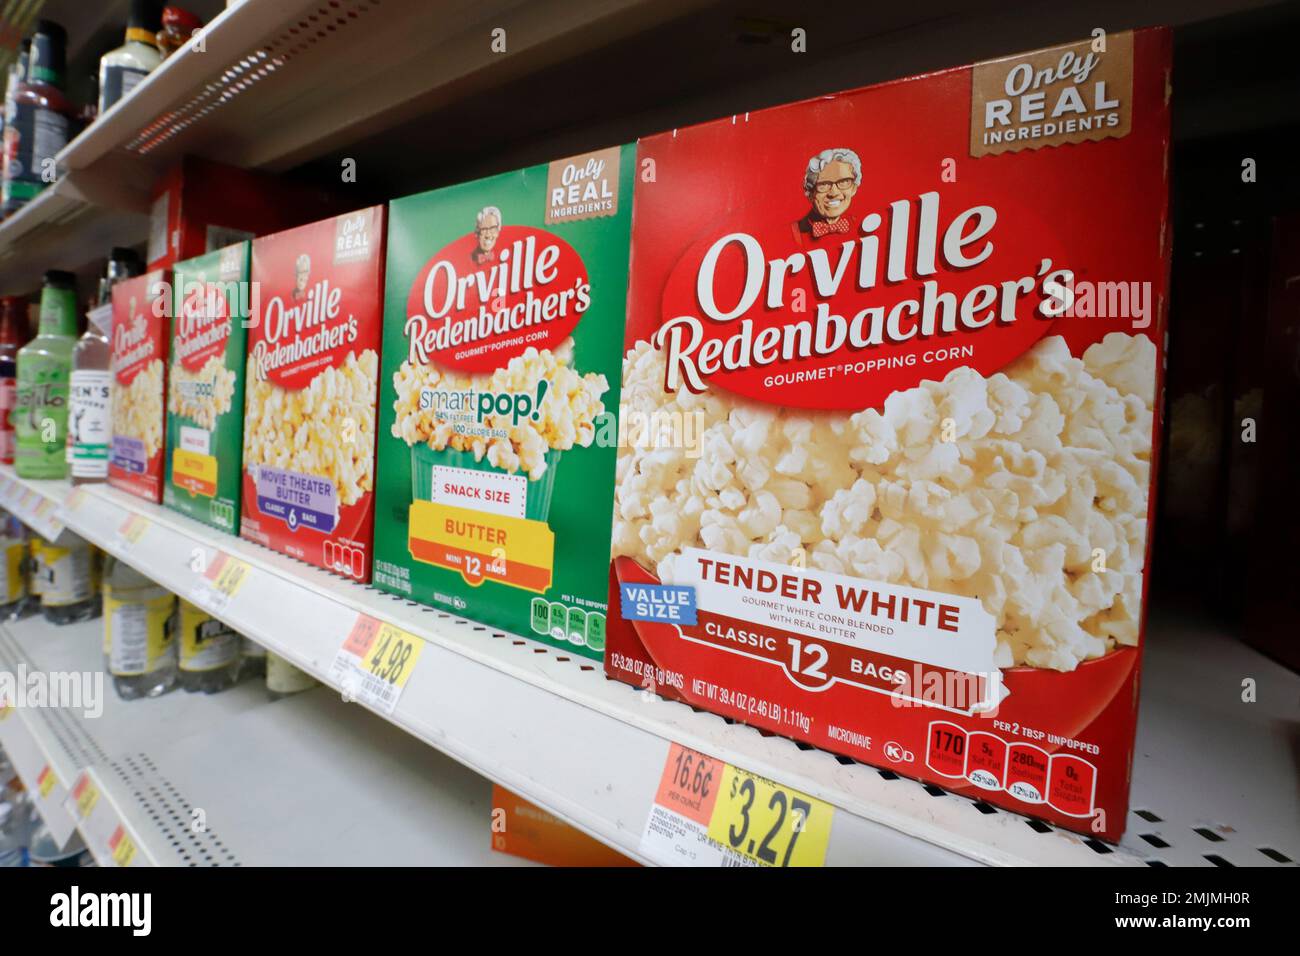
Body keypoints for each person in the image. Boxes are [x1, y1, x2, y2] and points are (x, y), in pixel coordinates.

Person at [792, 148, 862, 247]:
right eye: (823, 184)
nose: (834, 193)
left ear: (854, 188)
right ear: (810, 193)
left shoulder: (861, 226)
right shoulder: (794, 232)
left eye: (844, 182)